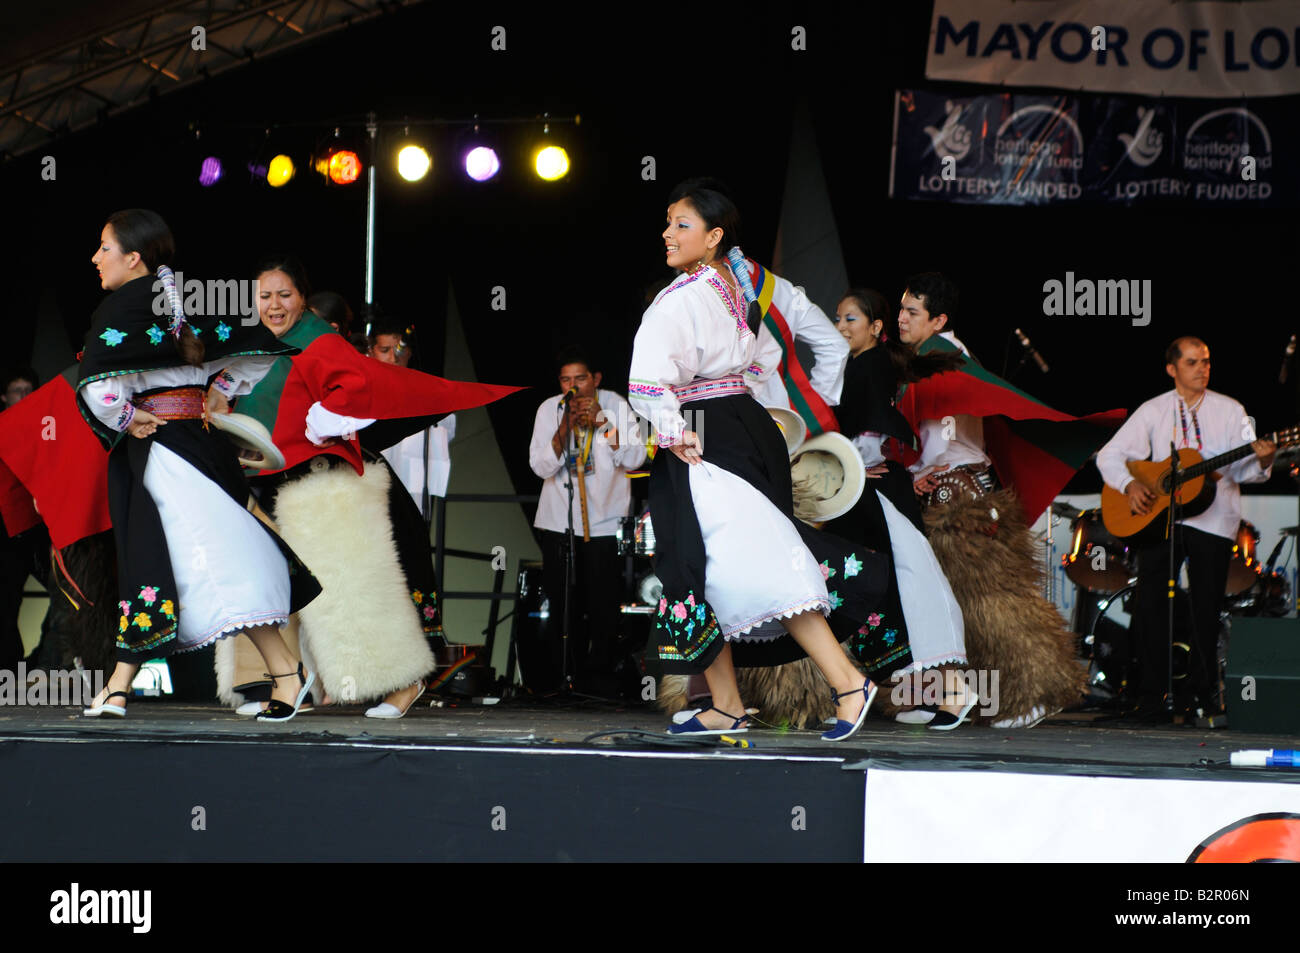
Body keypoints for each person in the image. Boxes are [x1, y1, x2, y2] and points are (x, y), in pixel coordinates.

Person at [628, 179, 890, 740]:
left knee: (738, 564)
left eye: (681, 224)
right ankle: (726, 703)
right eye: (668, 222)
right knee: (711, 570)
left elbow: (647, 383)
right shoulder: (738, 286)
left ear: (714, 235)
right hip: (742, 427)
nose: (667, 233)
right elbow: (760, 364)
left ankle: (846, 681)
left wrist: (675, 429)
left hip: (703, 436)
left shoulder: (681, 299)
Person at [219, 255, 520, 718]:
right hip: (264, 482)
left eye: (285, 294)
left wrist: (326, 418)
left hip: (322, 483)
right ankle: (275, 682)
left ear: (302, 296)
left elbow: (358, 391)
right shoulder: (251, 346)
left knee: (350, 588)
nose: (274, 305)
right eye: (265, 296)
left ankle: (401, 684)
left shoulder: (321, 342)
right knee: (266, 584)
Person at [75, 209, 321, 721]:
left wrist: (127, 416)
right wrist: (214, 394)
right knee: (213, 558)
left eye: (104, 247)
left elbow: (98, 384)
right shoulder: (185, 299)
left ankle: (121, 684)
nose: (96, 258)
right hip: (200, 447)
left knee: (176, 560)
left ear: (133, 256)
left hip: (164, 452)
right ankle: (284, 670)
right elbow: (259, 349)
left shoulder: (120, 308)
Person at [893, 272, 1126, 727]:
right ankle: (935, 697)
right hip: (945, 498)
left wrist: (919, 471)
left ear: (938, 319)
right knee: (945, 604)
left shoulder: (943, 359)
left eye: (911, 312)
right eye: (900, 309)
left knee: (990, 605)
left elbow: (939, 439)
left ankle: (1037, 694)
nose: (900, 318)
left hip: (959, 501)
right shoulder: (929, 360)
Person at [1096, 337, 1275, 719]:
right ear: (1172, 369)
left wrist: (1263, 460)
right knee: (1150, 605)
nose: (1202, 369)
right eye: (1193, 362)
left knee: (1206, 608)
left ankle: (1203, 695)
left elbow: (1245, 470)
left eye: (1207, 362)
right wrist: (1130, 485)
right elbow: (1110, 454)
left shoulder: (1232, 410)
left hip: (1213, 520)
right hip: (1161, 521)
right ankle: (1152, 696)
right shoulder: (1154, 409)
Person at [824, 289, 974, 727]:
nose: (840, 328)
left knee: (909, 581)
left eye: (850, 319)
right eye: (837, 319)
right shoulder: (861, 364)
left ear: (874, 328)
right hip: (866, 492)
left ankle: (953, 690)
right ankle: (931, 693)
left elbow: (875, 433)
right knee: (893, 587)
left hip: (878, 491)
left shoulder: (869, 365)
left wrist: (855, 462)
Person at [528, 347, 645, 686]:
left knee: (603, 602)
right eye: (566, 380)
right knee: (563, 600)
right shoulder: (551, 409)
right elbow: (540, 466)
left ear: (595, 379)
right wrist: (564, 428)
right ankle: (562, 677)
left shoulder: (616, 404)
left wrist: (603, 423)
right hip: (558, 523)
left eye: (580, 378)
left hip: (604, 522)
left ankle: (600, 680)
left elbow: (635, 458)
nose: (573, 386)